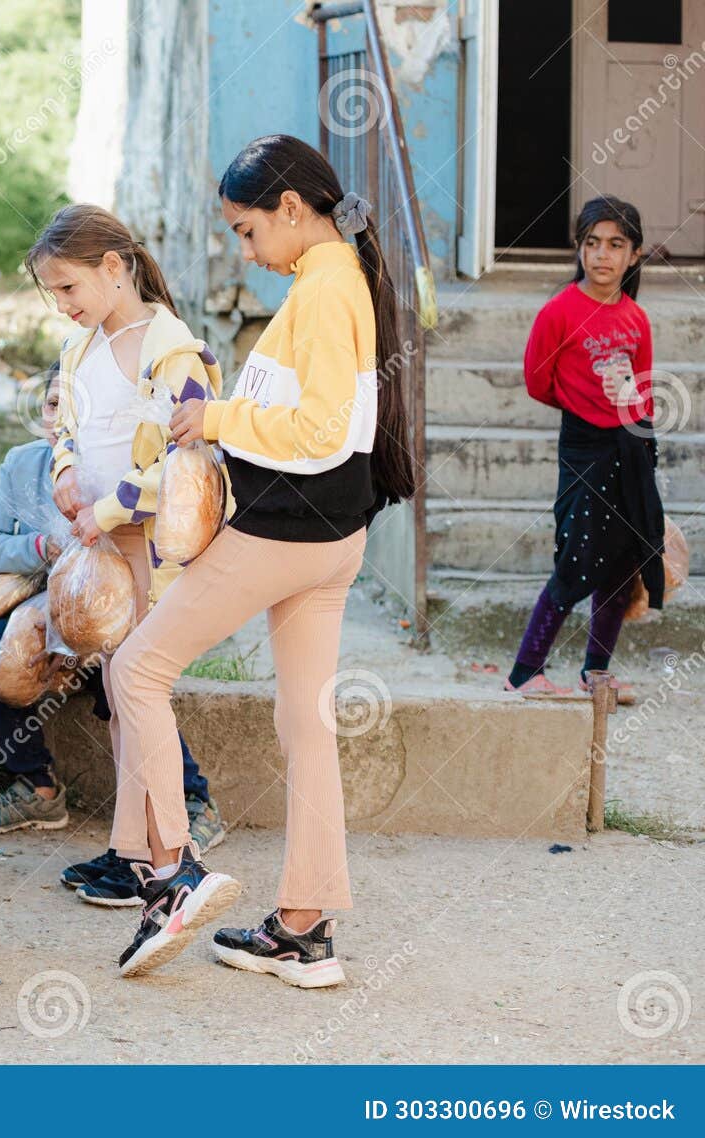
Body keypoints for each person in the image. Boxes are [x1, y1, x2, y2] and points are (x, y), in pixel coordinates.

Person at [106, 134, 416, 986]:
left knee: (135, 668)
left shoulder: (324, 290)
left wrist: (216, 422)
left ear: (290, 209)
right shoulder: (338, 277)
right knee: (306, 723)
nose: (245, 251)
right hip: (334, 538)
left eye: (247, 231)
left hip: (287, 534)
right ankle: (303, 929)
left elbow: (317, 432)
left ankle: (172, 874)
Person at [21, 204, 229, 908]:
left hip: (152, 554)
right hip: (102, 551)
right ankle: (131, 849)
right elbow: (66, 433)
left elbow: (187, 467)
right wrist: (66, 483)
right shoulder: (80, 352)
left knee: (137, 693)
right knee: (121, 693)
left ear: (114, 268)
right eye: (54, 294)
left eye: (70, 288)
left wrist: (104, 510)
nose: (64, 306)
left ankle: (161, 854)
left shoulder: (177, 353)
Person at [0, 368, 227, 895]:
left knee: (124, 674)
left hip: (113, 608)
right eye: (51, 405)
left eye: (72, 405)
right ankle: (35, 786)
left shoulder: (118, 466)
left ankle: (193, 799)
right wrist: (41, 550)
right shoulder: (23, 466)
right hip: (44, 606)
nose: (60, 416)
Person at [503, 196, 660, 704]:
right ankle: (525, 671)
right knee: (576, 557)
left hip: (629, 447)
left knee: (619, 564)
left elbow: (646, 389)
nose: (603, 255)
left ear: (634, 255)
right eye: (592, 243)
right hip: (584, 447)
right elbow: (537, 382)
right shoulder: (559, 312)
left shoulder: (637, 320)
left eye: (616, 244)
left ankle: (596, 672)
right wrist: (583, 403)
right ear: (579, 249)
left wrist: (629, 412)